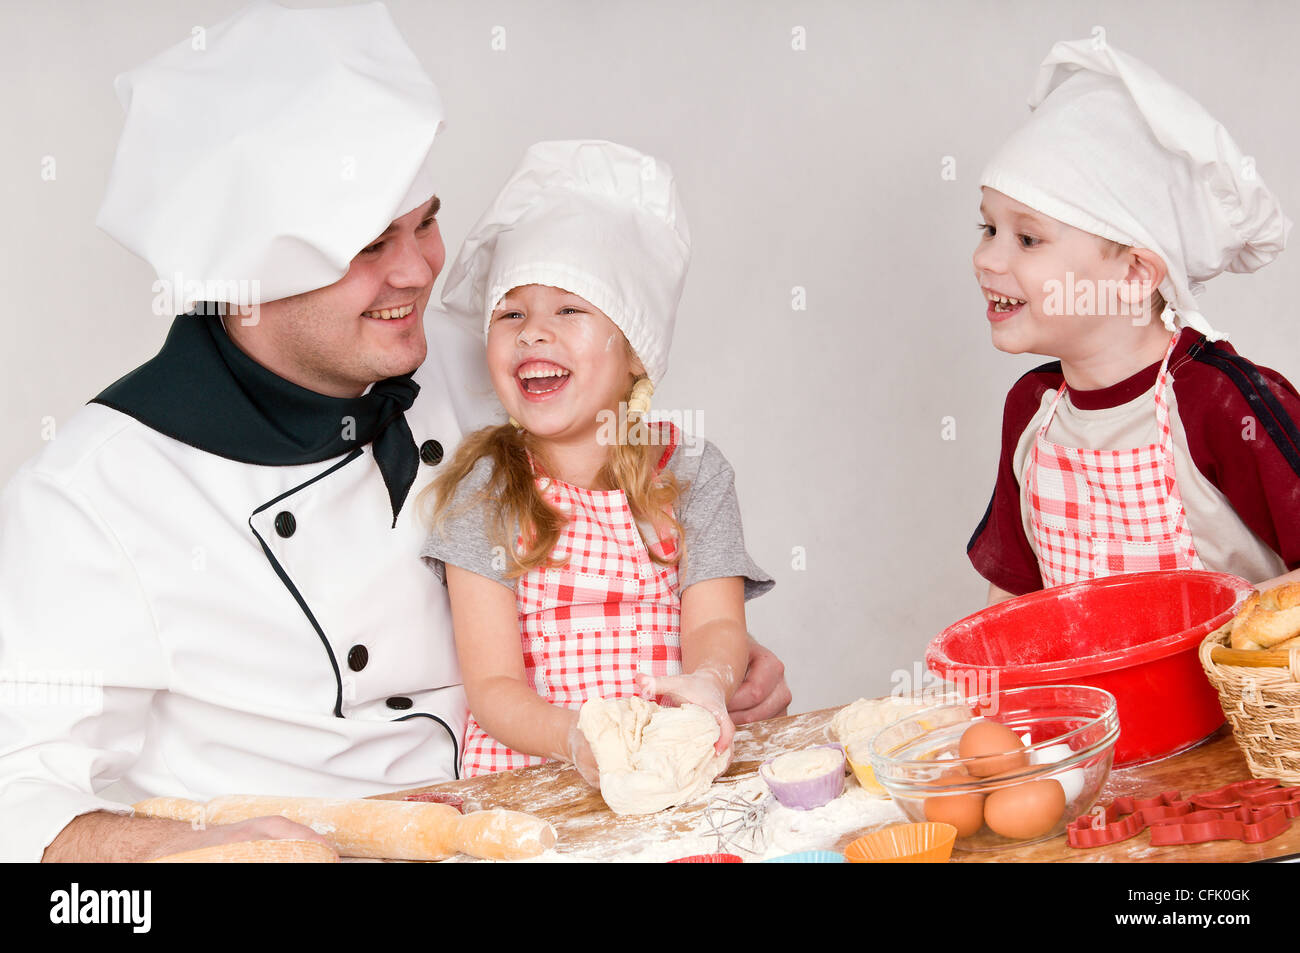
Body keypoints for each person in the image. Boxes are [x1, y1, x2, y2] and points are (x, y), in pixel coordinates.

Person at [0, 2, 789, 864]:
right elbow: (17, 788)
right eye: (370, 244)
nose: (419, 272)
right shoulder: (91, 497)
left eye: (425, 222)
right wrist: (156, 856)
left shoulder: (488, 364)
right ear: (247, 281)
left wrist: (706, 664)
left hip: (566, 831)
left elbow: (611, 546)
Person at [419, 141, 774, 779]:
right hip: (534, 777)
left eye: (570, 309)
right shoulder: (485, 490)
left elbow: (717, 623)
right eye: (512, 314)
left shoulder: (692, 472)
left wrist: (708, 686)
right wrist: (579, 739)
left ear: (636, 351)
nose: (533, 332)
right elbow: (494, 685)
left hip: (673, 757)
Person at [966, 37, 1300, 606]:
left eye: (1027, 238)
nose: (988, 259)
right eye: (987, 230)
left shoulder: (1223, 401)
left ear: (1135, 274)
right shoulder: (1033, 409)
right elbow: (1014, 608)